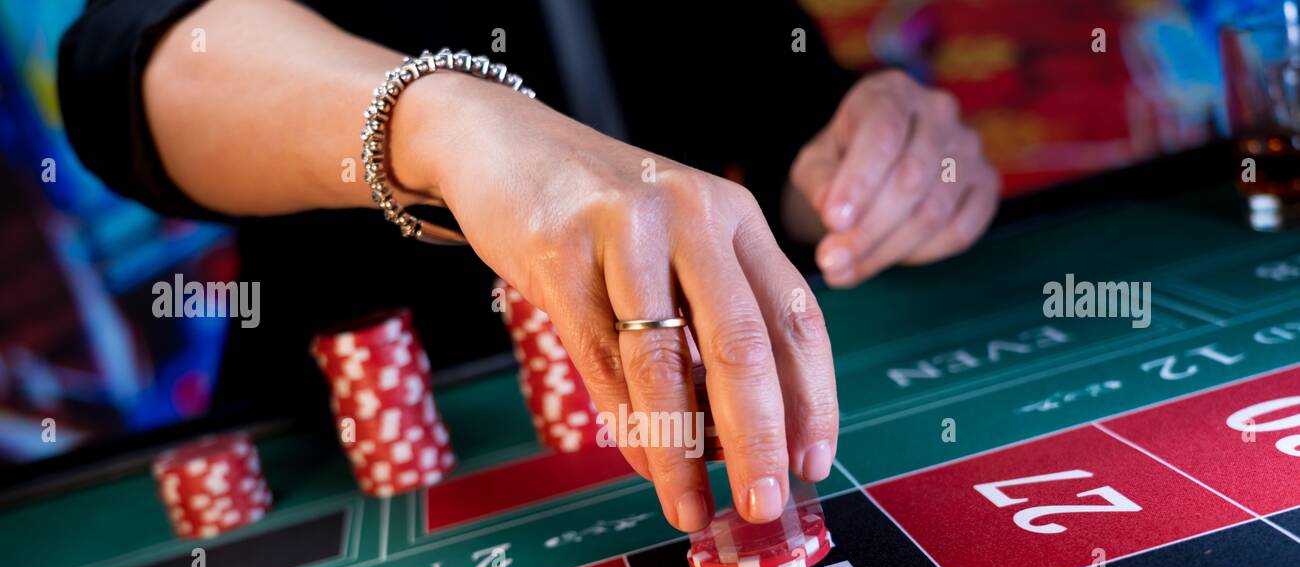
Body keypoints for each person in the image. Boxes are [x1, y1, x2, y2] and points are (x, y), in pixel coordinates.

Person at [58, 0, 999, 532]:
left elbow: (780, 108)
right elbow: (128, 70)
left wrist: (869, 175)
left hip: (680, 390)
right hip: (351, 468)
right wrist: (454, 125)